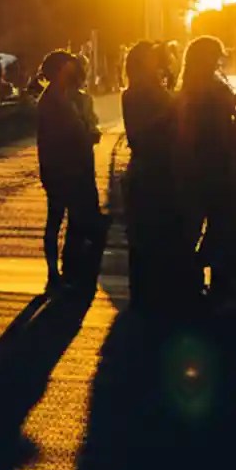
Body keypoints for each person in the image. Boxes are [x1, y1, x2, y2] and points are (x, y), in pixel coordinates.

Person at [121, 41, 187, 315]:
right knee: (148, 233)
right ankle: (145, 293)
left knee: (155, 233)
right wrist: (170, 111)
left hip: (159, 167)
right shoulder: (135, 93)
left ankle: (152, 291)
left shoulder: (157, 88)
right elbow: (138, 134)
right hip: (150, 169)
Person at [176, 36, 236, 305]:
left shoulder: (188, 88)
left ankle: (189, 276)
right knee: (220, 224)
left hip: (196, 164)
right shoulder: (213, 88)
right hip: (216, 163)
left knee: (192, 225)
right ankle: (205, 270)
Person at [36, 51, 106, 293]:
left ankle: (69, 269)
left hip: (77, 167)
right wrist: (86, 135)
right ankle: (55, 272)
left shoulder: (71, 97)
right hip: (60, 168)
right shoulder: (51, 100)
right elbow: (64, 134)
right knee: (57, 220)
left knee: (74, 221)